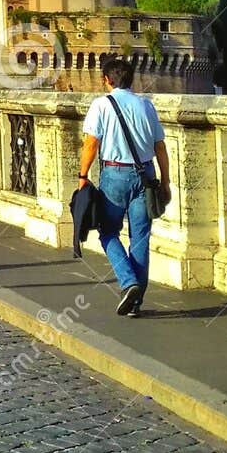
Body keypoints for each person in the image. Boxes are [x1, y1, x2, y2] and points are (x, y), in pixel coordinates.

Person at [76, 56, 172, 318]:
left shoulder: (101, 105)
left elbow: (91, 144)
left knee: (107, 231)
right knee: (140, 238)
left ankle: (128, 282)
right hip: (146, 175)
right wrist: (165, 181)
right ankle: (136, 302)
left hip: (115, 175)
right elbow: (160, 147)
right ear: (131, 79)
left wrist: (83, 176)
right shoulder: (146, 106)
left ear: (107, 80)